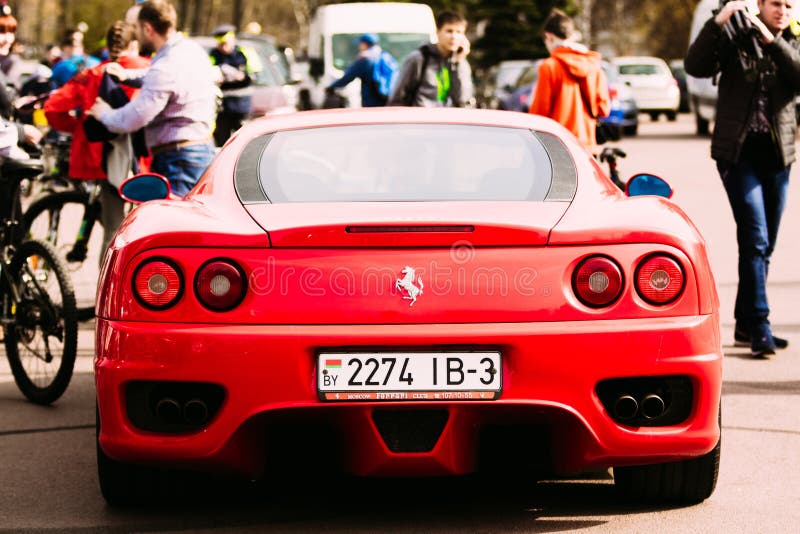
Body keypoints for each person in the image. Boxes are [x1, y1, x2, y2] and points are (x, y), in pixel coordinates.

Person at [685, 0, 800, 358]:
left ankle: (745, 324)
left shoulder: (792, 42)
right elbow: (696, 65)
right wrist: (718, 20)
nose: (782, 10)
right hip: (738, 155)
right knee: (755, 237)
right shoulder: (734, 39)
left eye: (788, 5)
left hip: (779, 157)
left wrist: (771, 40)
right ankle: (761, 325)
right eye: (775, 4)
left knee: (764, 246)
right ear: (759, 5)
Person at [88, 0, 217, 197]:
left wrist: (104, 114)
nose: (135, 34)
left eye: (137, 28)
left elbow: (133, 119)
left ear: (148, 29)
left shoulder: (167, 65)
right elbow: (159, 77)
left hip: (178, 161)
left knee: (174, 225)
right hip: (193, 151)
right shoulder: (188, 50)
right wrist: (126, 76)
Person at [45, 21, 150, 257]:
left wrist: (79, 128)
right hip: (147, 162)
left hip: (105, 161)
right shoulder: (150, 69)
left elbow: (52, 107)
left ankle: (110, 290)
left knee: (114, 232)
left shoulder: (91, 74)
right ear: (134, 44)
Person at [528, 9, 610, 155]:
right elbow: (603, 109)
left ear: (549, 37)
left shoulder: (549, 66)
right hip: (587, 147)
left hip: (558, 146)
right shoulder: (593, 65)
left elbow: (539, 113)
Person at [387, 11, 474, 107]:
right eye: (449, 31)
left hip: (449, 120)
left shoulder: (461, 62)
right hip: (420, 120)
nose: (454, 37)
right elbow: (397, 99)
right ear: (438, 32)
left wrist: (459, 63)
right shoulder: (419, 58)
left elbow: (463, 101)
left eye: (459, 32)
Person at [209, 24, 253, 146]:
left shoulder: (244, 53)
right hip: (222, 109)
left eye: (225, 44)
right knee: (221, 142)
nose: (222, 47)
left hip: (241, 107)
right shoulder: (213, 54)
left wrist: (242, 77)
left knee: (244, 142)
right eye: (220, 44)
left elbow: (256, 75)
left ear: (232, 40)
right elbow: (207, 73)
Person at [327, 33, 395, 107]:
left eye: (360, 44)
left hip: (371, 102)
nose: (359, 46)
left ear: (365, 44)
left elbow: (348, 76)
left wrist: (331, 87)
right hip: (387, 99)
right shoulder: (386, 56)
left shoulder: (366, 59)